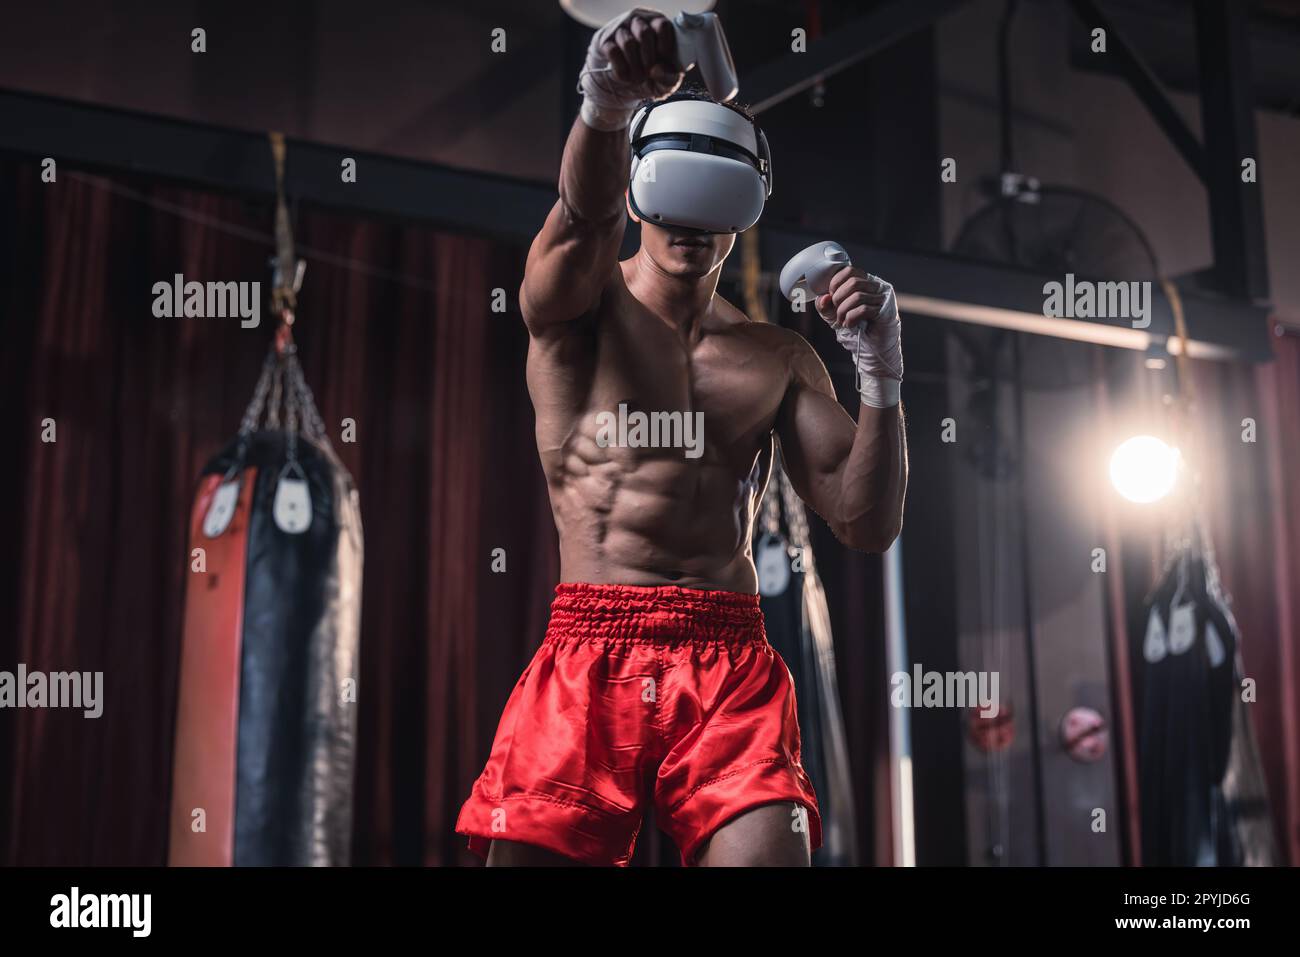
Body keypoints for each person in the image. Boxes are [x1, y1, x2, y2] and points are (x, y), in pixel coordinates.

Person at [456, 8, 907, 866]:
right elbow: (582, 220)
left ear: (751, 200)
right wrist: (605, 107)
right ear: (639, 186)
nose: (692, 227)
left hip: (728, 654)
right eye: (673, 192)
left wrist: (881, 374)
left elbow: (864, 520)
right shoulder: (578, 311)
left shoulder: (776, 356)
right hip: (592, 647)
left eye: (719, 197)